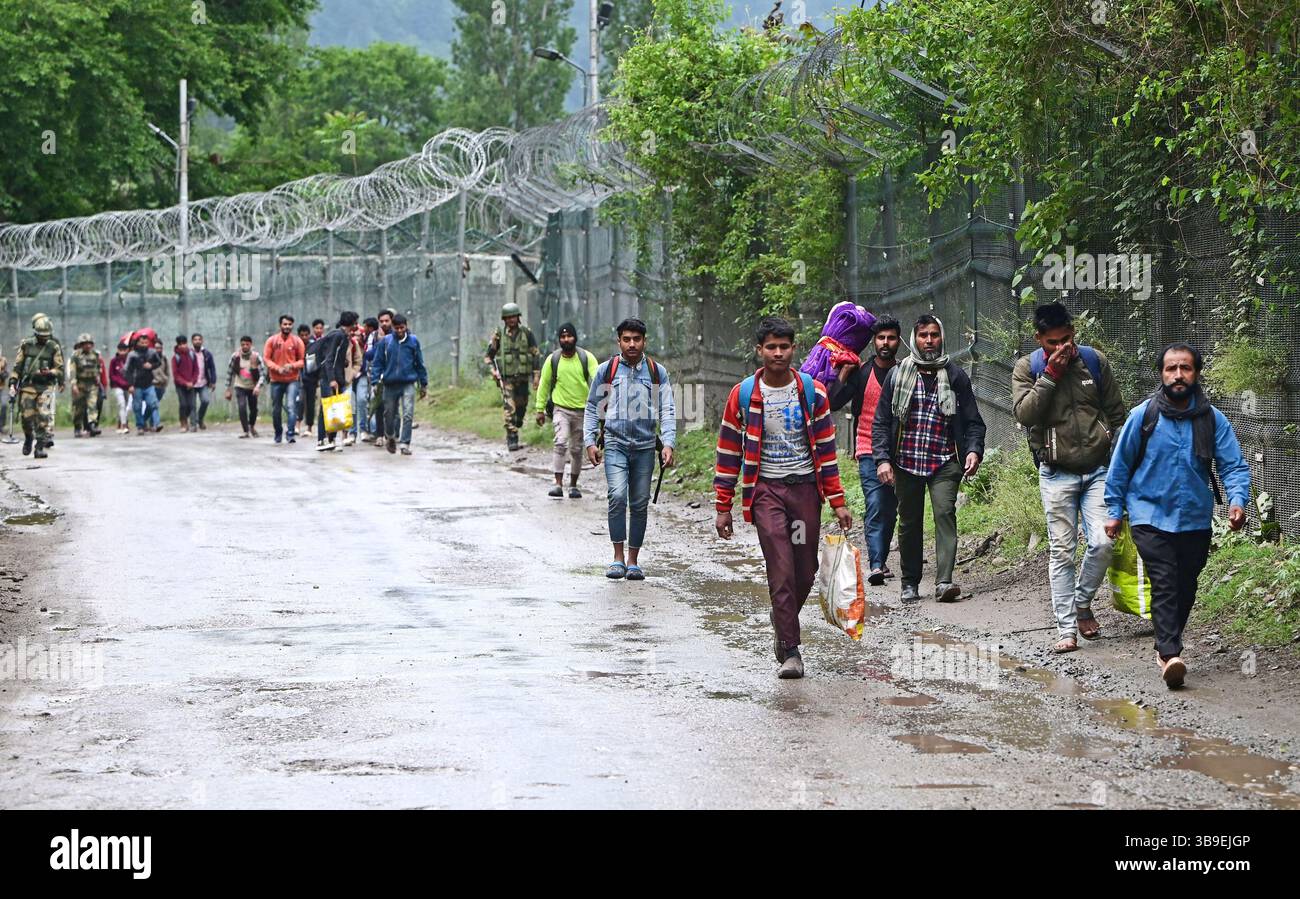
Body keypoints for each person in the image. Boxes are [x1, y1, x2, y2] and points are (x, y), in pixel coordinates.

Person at [1104, 343, 1251, 688]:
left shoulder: (1213, 419)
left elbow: (1233, 466)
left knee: (1187, 582)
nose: (1178, 375)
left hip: (1195, 517)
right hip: (1148, 514)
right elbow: (1120, 466)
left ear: (1196, 373)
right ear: (1161, 374)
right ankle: (1170, 654)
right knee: (1166, 578)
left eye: (1185, 368)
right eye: (1171, 369)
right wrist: (1114, 510)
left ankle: (1164, 643)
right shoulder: (1144, 415)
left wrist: (1238, 501)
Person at [715, 316, 853, 679]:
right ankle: (791, 651)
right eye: (771, 347)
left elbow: (825, 449)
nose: (778, 353)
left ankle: (782, 618)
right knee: (780, 565)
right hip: (766, 492)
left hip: (806, 490)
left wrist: (837, 500)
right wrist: (722, 505)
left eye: (784, 346)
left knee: (804, 569)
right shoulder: (744, 395)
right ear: (759, 351)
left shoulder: (812, 392)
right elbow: (729, 450)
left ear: (794, 349)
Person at [1012, 302, 1128, 653]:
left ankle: (1081, 603)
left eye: (1066, 339)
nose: (1060, 348)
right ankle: (1066, 629)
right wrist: (1050, 375)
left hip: (1098, 470)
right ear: (1039, 339)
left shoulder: (1094, 361)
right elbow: (1025, 414)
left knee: (1104, 542)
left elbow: (1117, 413)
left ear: (1073, 332)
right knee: (1062, 552)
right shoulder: (1027, 368)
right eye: (1051, 343)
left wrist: (1113, 449)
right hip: (1055, 472)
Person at [872, 314, 986, 604]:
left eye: (934, 335)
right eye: (924, 335)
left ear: (942, 337)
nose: (929, 340)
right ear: (915, 339)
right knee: (910, 522)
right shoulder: (898, 375)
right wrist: (882, 459)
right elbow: (882, 422)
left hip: (944, 460)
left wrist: (973, 450)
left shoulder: (955, 375)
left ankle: (944, 581)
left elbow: (974, 421)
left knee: (945, 514)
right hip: (906, 461)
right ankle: (909, 582)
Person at [583, 318, 676, 581]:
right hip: (614, 444)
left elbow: (667, 408)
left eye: (637, 339)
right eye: (627, 339)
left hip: (646, 446)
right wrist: (590, 441)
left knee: (638, 502)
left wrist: (668, 442)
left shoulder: (657, 372)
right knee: (617, 496)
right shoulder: (607, 370)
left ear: (644, 341)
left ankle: (633, 561)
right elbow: (593, 407)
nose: (632, 344)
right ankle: (617, 557)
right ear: (619, 341)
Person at [828, 316, 902, 585]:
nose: (885, 343)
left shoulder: (906, 372)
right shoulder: (861, 373)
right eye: (881, 338)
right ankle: (876, 564)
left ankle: (880, 558)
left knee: (891, 505)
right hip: (867, 447)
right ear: (873, 341)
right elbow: (834, 402)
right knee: (875, 502)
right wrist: (844, 373)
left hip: (900, 450)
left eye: (891, 338)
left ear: (898, 341)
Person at [534, 323, 597, 498]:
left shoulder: (586, 358)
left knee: (577, 449)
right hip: (560, 409)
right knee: (560, 442)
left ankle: (574, 485)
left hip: (582, 411)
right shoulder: (552, 360)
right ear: (559, 340)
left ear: (575, 338)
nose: (566, 339)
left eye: (569, 336)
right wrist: (539, 409)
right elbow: (544, 385)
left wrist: (603, 404)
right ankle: (558, 484)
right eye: (563, 337)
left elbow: (598, 379)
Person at [484, 302, 540, 451]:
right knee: (510, 409)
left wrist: (536, 376)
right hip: (506, 379)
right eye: (508, 318)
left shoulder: (527, 333)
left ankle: (517, 423)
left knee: (521, 410)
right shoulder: (499, 336)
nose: (511, 320)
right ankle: (512, 438)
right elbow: (489, 357)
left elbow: (535, 354)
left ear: (518, 317)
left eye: (513, 317)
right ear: (504, 319)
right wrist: (493, 371)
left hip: (522, 380)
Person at [371, 313, 428, 455]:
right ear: (392, 327)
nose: (399, 331)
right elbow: (377, 363)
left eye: (402, 328)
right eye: (396, 328)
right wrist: (375, 381)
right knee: (389, 414)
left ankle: (405, 443)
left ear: (406, 326)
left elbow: (419, 363)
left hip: (408, 382)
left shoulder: (413, 342)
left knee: (408, 413)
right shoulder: (386, 342)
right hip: (389, 383)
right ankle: (390, 436)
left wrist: (423, 384)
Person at [9, 314, 64, 458]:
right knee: (26, 417)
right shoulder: (26, 345)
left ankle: (39, 447)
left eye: (46, 336)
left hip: (46, 387)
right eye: (41, 336)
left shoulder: (53, 347)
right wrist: (13, 384)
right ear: (35, 333)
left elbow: (60, 369)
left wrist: (50, 372)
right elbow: (17, 367)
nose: (44, 338)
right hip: (28, 386)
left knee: (44, 416)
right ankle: (28, 438)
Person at [311, 311, 360, 452]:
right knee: (327, 408)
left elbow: (336, 357)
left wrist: (343, 362)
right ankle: (321, 440)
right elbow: (329, 359)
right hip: (329, 378)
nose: (357, 325)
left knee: (335, 408)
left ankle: (331, 440)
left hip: (338, 377)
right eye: (355, 323)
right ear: (351, 323)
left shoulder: (344, 336)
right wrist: (332, 379)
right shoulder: (338, 336)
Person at [263, 314, 305, 444]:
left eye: (289, 324)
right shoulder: (272, 341)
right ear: (280, 325)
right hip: (276, 380)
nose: (287, 327)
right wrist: (276, 368)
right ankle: (278, 433)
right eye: (285, 324)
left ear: (292, 326)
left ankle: (291, 434)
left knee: (291, 406)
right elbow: (266, 358)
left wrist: (291, 366)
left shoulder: (297, 341)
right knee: (276, 409)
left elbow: (302, 361)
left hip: (292, 379)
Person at [366, 309, 395, 446]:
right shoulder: (374, 335)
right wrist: (381, 342)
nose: (384, 324)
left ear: (392, 321)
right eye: (381, 321)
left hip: (395, 375)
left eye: (387, 321)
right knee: (379, 405)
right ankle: (379, 435)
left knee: (393, 407)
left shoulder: (398, 334)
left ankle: (393, 434)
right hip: (379, 374)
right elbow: (369, 355)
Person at [225, 336, 265, 438]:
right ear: (240, 345)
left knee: (253, 409)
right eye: (243, 344)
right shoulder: (235, 357)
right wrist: (228, 389)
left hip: (252, 387)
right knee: (242, 406)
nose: (245, 346)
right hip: (240, 386)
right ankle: (245, 430)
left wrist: (258, 386)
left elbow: (262, 374)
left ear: (251, 345)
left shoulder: (256, 357)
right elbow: (230, 373)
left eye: (247, 344)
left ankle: (251, 426)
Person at [123, 332, 162, 436]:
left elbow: (159, 362)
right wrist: (130, 385)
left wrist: (151, 366)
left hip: (149, 383)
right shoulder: (132, 354)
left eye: (146, 342)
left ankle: (157, 423)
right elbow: (126, 370)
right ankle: (140, 426)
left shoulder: (152, 352)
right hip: (136, 384)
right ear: (137, 343)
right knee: (137, 406)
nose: (144, 344)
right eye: (142, 342)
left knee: (153, 404)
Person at [68, 333, 106, 438]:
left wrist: (98, 376)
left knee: (92, 405)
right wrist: (73, 384)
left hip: (92, 384)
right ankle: (77, 427)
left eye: (89, 343)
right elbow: (72, 370)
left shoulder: (96, 354)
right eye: (85, 344)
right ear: (81, 344)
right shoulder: (75, 356)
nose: (87, 346)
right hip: (80, 384)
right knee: (78, 408)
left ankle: (92, 425)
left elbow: (98, 366)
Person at [347, 318, 374, 446]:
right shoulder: (347, 345)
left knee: (362, 400)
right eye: (353, 334)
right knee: (351, 404)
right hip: (348, 378)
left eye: (358, 334)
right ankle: (352, 432)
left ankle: (364, 429)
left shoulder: (366, 346)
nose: (356, 336)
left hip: (362, 375)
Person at [300, 319, 325, 433]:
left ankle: (314, 426)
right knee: (301, 401)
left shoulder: (325, 341)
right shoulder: (308, 343)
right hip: (306, 375)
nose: (319, 330)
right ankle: (302, 425)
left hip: (319, 375)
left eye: (321, 328)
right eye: (316, 328)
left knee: (317, 402)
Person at [171, 335, 200, 433]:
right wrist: (185, 383)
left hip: (191, 384)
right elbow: (175, 374)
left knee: (192, 405)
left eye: (184, 344)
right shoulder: (176, 357)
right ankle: (183, 422)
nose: (183, 346)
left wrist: (193, 381)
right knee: (183, 404)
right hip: (180, 385)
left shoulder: (192, 354)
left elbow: (196, 369)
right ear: (178, 345)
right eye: (181, 344)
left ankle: (193, 424)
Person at [191, 333, 217, 430]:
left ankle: (200, 419)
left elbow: (212, 368)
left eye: (199, 339)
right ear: (192, 341)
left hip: (203, 382)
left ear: (202, 341)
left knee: (205, 401)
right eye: (195, 339)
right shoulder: (189, 353)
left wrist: (213, 381)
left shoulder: (206, 354)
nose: (197, 341)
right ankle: (193, 424)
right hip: (192, 383)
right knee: (192, 404)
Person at [108, 340, 132, 433]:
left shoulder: (130, 360)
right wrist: (122, 383)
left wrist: (130, 384)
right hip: (117, 386)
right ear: (117, 350)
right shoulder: (114, 361)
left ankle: (121, 422)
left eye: (124, 350)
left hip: (128, 386)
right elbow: (112, 375)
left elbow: (132, 373)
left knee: (128, 406)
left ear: (128, 350)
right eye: (120, 350)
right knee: (121, 404)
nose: (122, 352)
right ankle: (123, 425)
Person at [151, 336, 170, 427]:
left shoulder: (164, 359)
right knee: (154, 404)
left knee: (154, 404)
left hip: (161, 386)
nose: (158, 350)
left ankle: (149, 423)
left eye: (159, 348)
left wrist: (166, 381)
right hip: (152, 385)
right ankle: (156, 424)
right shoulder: (149, 358)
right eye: (156, 348)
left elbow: (167, 371)